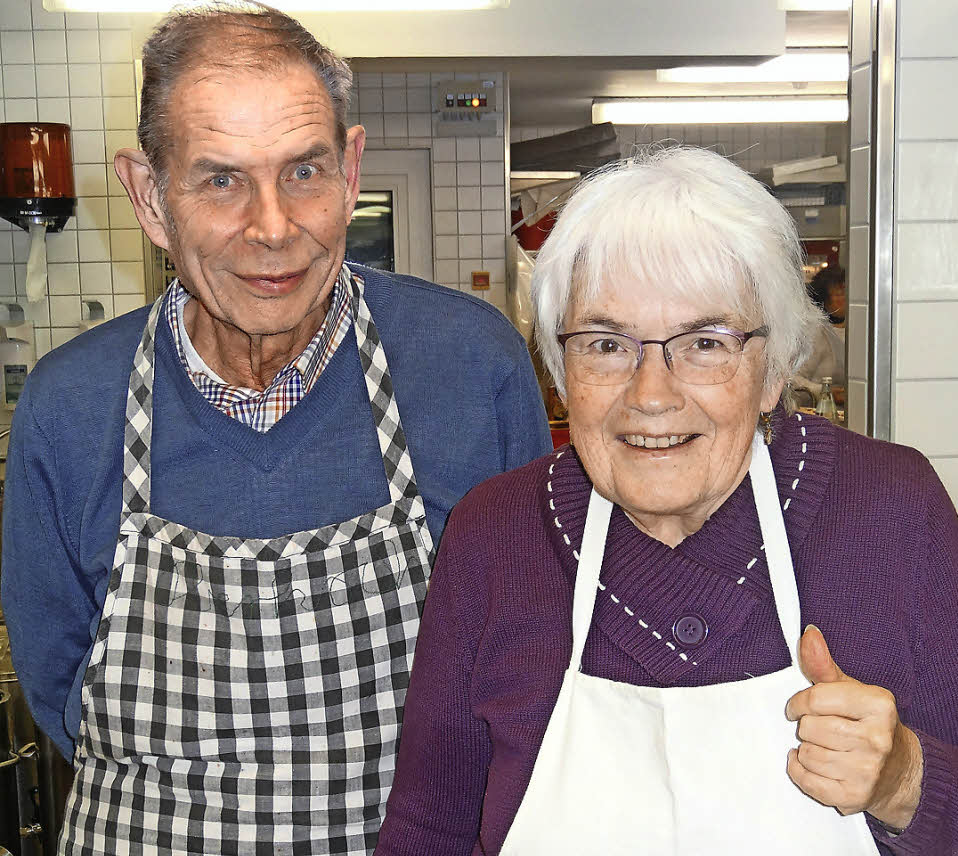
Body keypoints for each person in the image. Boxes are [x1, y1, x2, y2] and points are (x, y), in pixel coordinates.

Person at [0, 4, 550, 854]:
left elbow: (527, 646)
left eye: (303, 172)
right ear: (151, 198)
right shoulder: (69, 407)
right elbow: (57, 684)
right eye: (221, 179)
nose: (272, 228)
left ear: (351, 168)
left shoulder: (470, 366)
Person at [375, 147, 958, 855]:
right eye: (606, 344)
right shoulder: (496, 533)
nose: (651, 394)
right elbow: (427, 830)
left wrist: (904, 780)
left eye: (706, 343)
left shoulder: (888, 507)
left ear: (772, 372)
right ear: (561, 373)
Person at [793, 264, 847, 403]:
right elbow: (793, 378)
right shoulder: (815, 332)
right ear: (824, 298)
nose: (846, 298)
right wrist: (824, 391)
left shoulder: (858, 331)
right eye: (839, 293)